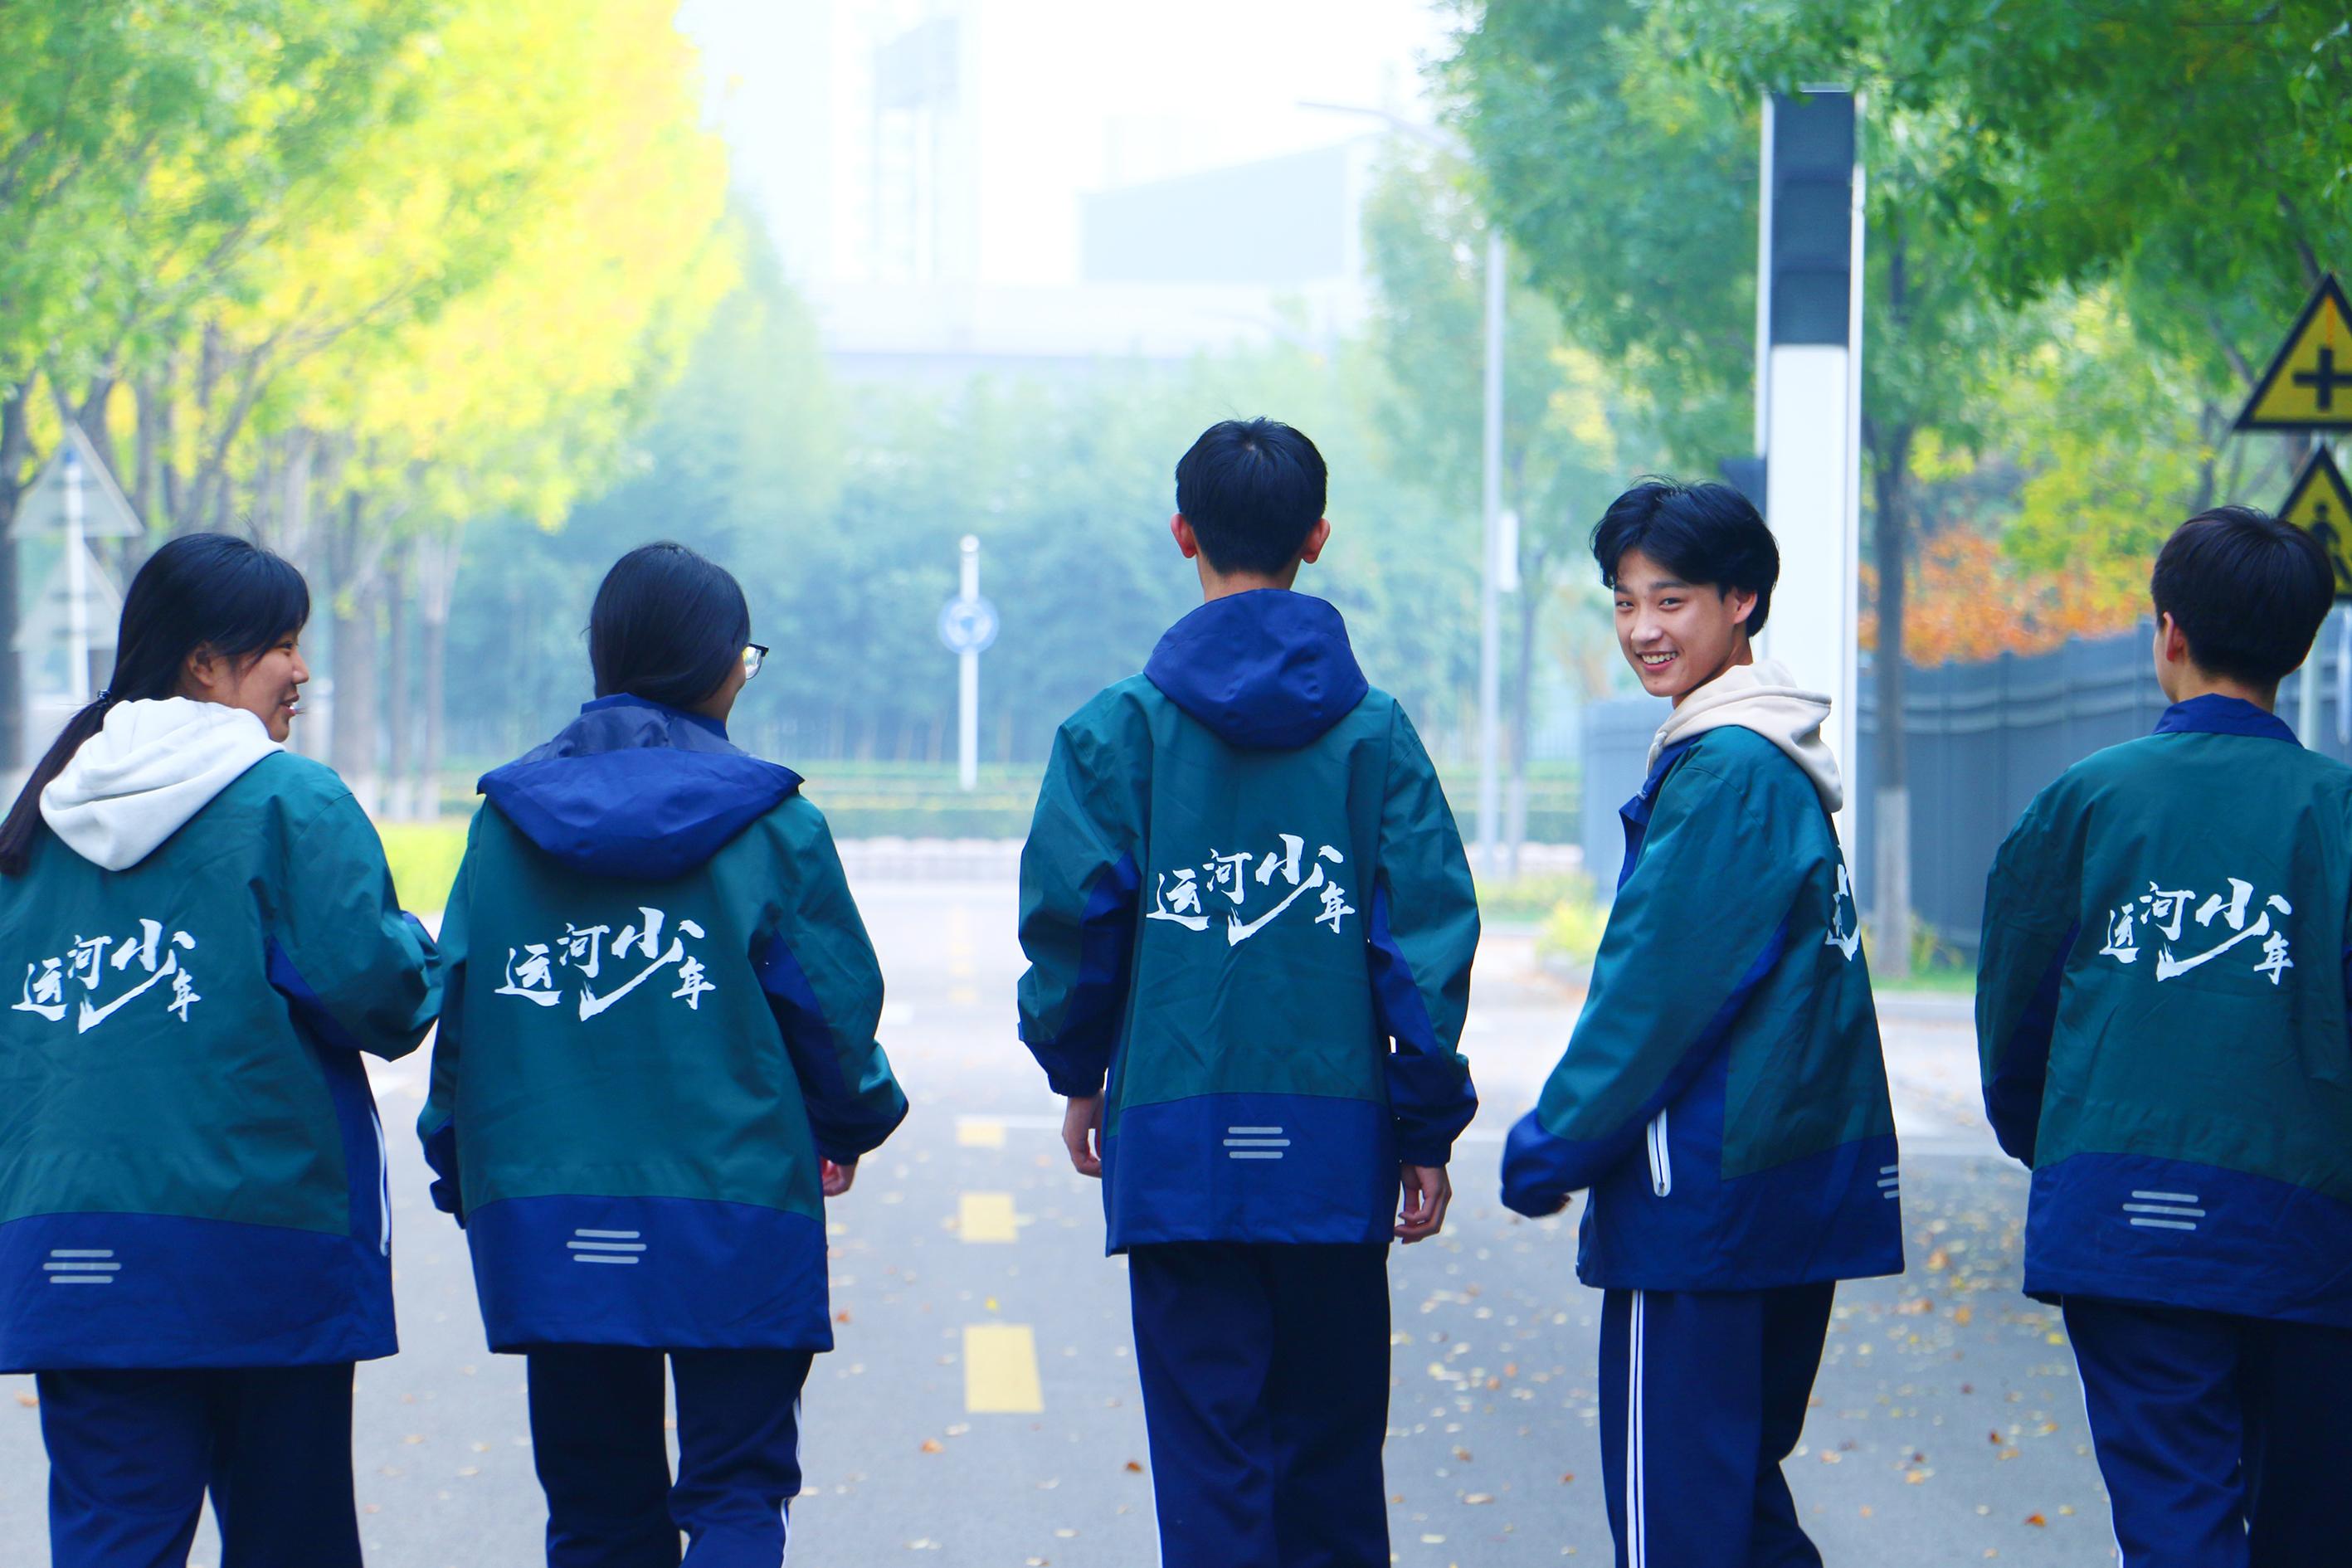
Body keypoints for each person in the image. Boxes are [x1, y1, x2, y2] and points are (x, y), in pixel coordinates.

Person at [1015, 416, 1479, 1568]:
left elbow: (1073, 929)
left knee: (1211, 1470)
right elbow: (1422, 950)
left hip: (1178, 1144)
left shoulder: (1116, 733)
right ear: (1315, 538)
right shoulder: (1375, 735)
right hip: (1334, 1149)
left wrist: (1079, 1073)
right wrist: (1423, 1126)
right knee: (1330, 1466)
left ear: (1184, 534)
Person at [419, 541, 907, 1567]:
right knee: (738, 1494)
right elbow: (831, 1010)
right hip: (737, 1201)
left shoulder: (506, 825)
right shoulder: (774, 824)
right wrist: (850, 1121)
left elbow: (462, 1015)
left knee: (596, 1515)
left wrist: (457, 1164)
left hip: (553, 1207)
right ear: (724, 666)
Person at [0, 533, 440, 1568]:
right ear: (205, 663)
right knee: (291, 1542)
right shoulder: (290, 803)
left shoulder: (38, 822)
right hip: (264, 1242)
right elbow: (381, 997)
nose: (302, 670)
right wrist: (428, 948)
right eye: (281, 645)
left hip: (73, 1244)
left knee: (113, 1543)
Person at [1500, 480, 1902, 1568]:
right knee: (1738, 1510)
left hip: (1702, 1209)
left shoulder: (1726, 767)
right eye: (1624, 602)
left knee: (1677, 1524)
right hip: (1778, 1194)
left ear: (1742, 600)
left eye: (1669, 600)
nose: (1641, 629)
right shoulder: (1771, 758)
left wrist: (1551, 1145)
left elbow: (1658, 989)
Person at [1977, 506, 2352, 1568]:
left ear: (2169, 632)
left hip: (2125, 1218)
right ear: (2300, 648)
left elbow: (2016, 1017)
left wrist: (2058, 1145)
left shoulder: (2084, 801)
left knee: (2176, 1518)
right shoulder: (2339, 812)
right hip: (2314, 1225)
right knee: (2316, 1525)